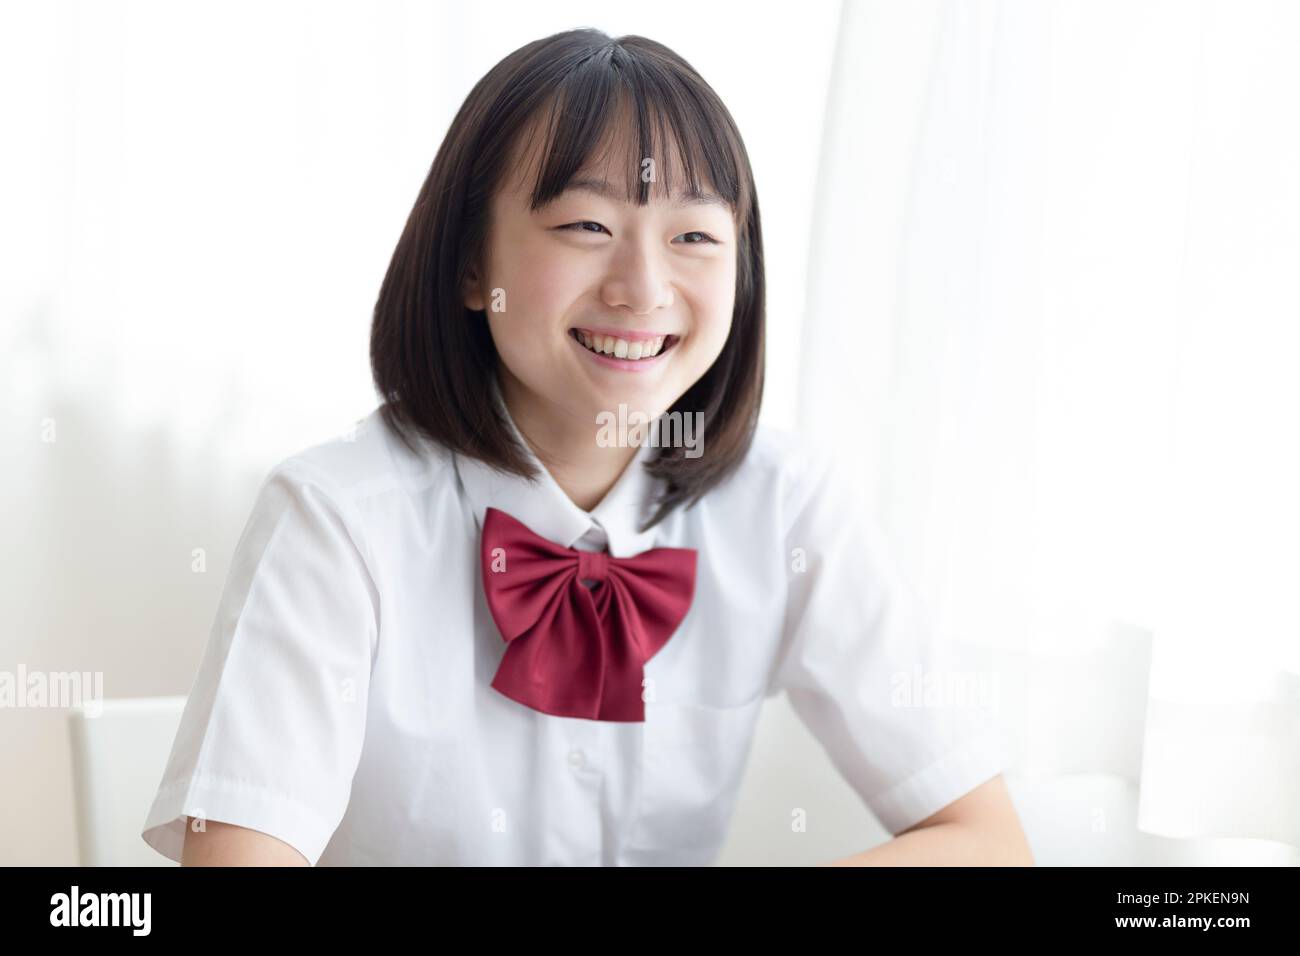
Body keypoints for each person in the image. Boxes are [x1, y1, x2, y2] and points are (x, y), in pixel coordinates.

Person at [141, 27, 1031, 867]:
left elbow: (986, 841)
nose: (643, 289)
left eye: (693, 237)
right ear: (467, 266)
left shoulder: (788, 503)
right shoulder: (335, 518)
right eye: (585, 227)